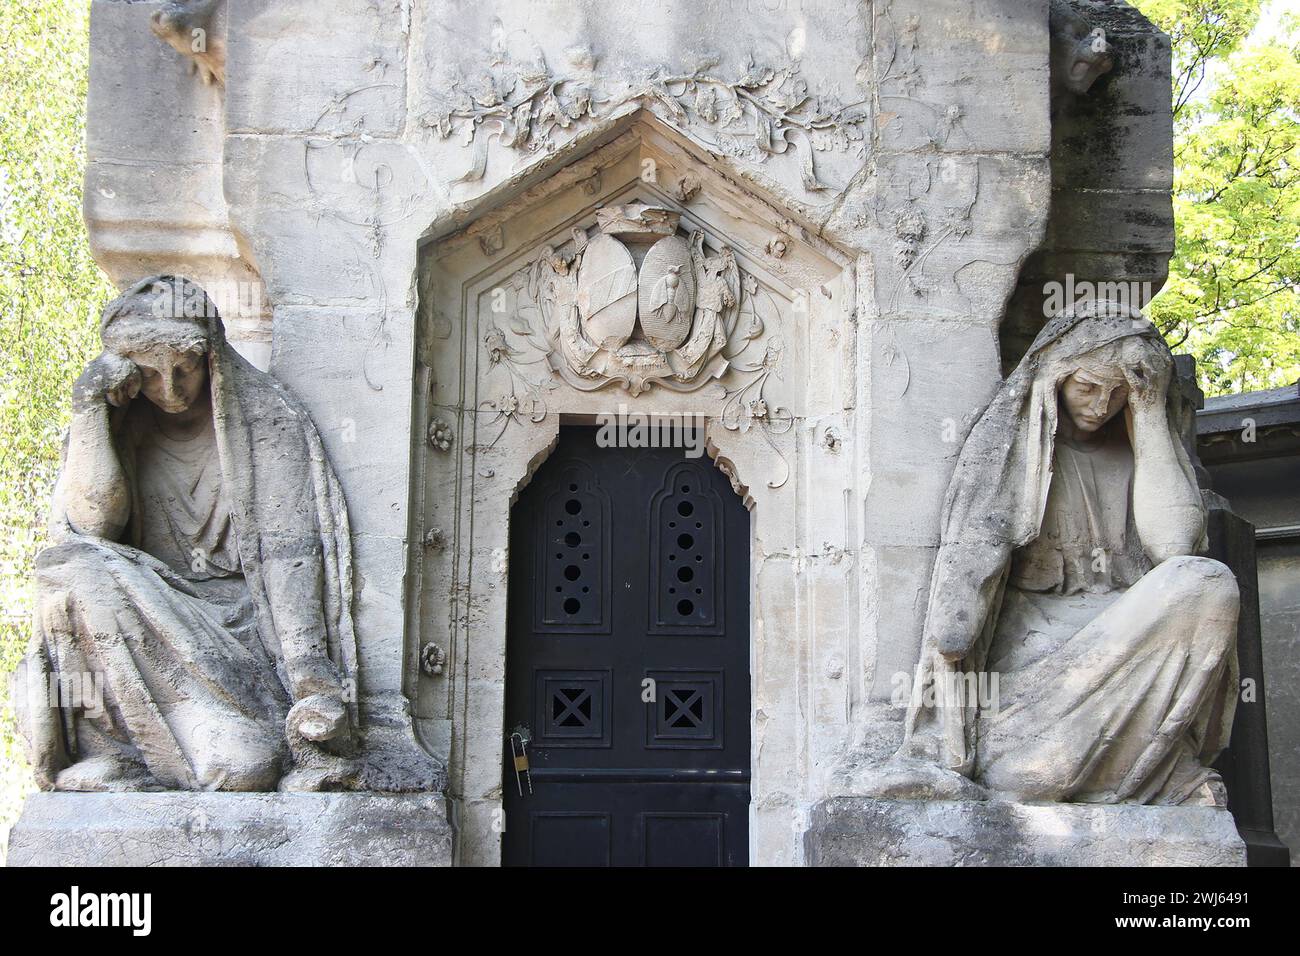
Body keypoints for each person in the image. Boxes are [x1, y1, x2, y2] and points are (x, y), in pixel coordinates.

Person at [12, 276, 359, 792]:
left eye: (186, 368)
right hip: (145, 616)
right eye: (150, 374)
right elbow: (90, 530)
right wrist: (88, 414)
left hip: (237, 639)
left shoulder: (267, 421)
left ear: (212, 356)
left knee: (243, 765)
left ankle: (212, 743)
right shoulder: (117, 425)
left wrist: (309, 677)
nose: (170, 390)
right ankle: (115, 748)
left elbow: (291, 557)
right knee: (76, 569)